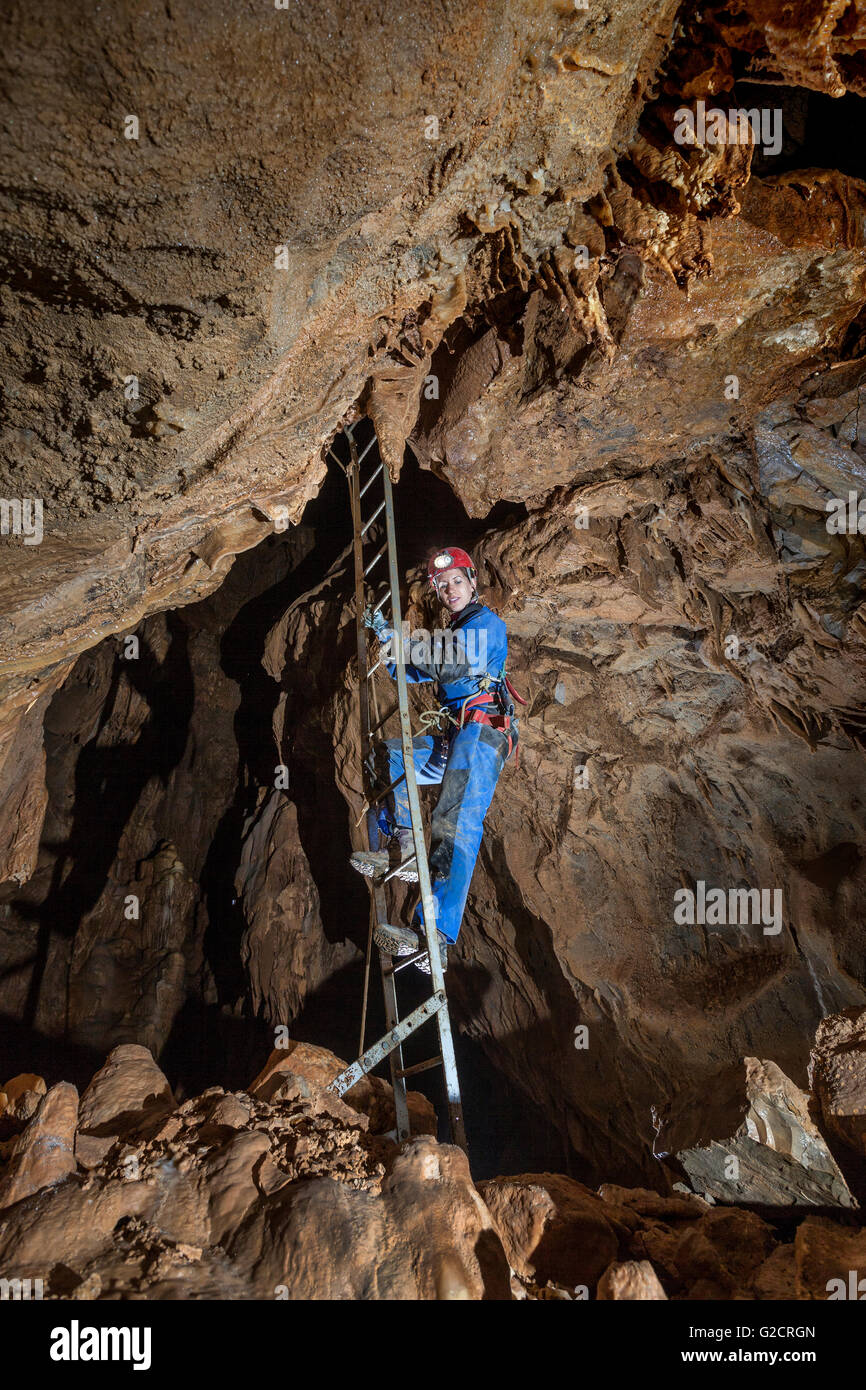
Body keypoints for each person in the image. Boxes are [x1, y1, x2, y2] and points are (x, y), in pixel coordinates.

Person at [350, 546, 523, 973]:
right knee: (388, 757)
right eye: (442, 586)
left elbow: (451, 660)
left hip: (481, 736)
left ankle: (435, 936)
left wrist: (402, 640)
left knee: (454, 823)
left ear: (473, 582)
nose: (450, 590)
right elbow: (411, 668)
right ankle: (405, 845)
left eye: (456, 581)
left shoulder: (487, 625)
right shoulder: (451, 632)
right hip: (453, 739)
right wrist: (389, 644)